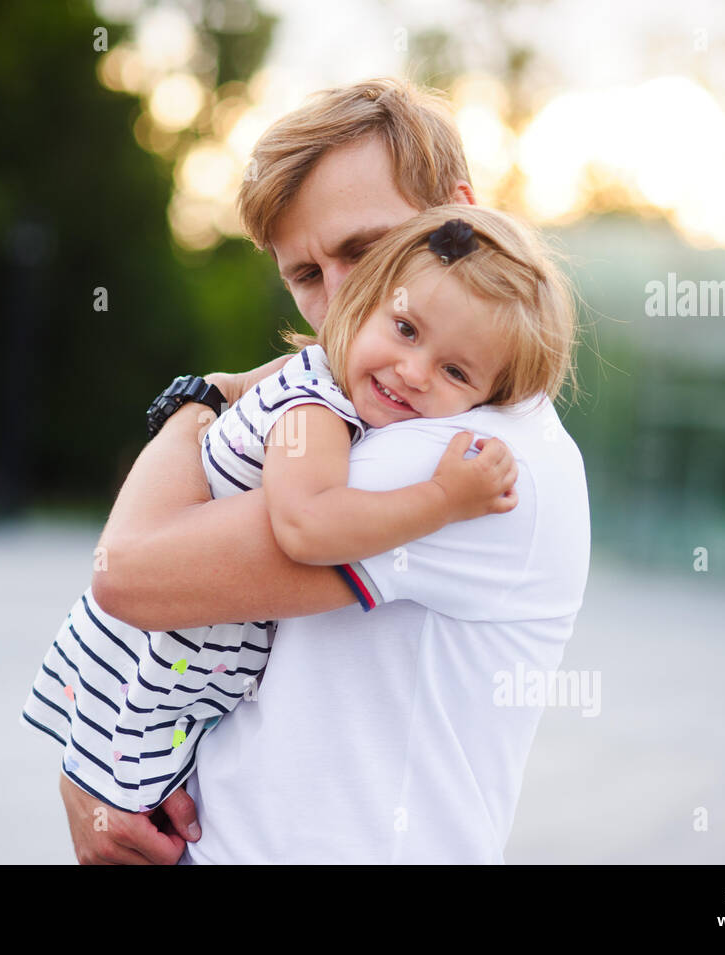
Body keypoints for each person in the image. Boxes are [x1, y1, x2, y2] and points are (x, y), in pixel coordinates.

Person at [44, 78, 590, 864]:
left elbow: (129, 572)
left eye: (365, 252)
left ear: (462, 222)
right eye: (306, 276)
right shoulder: (409, 405)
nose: (340, 307)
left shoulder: (452, 460)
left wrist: (196, 404)